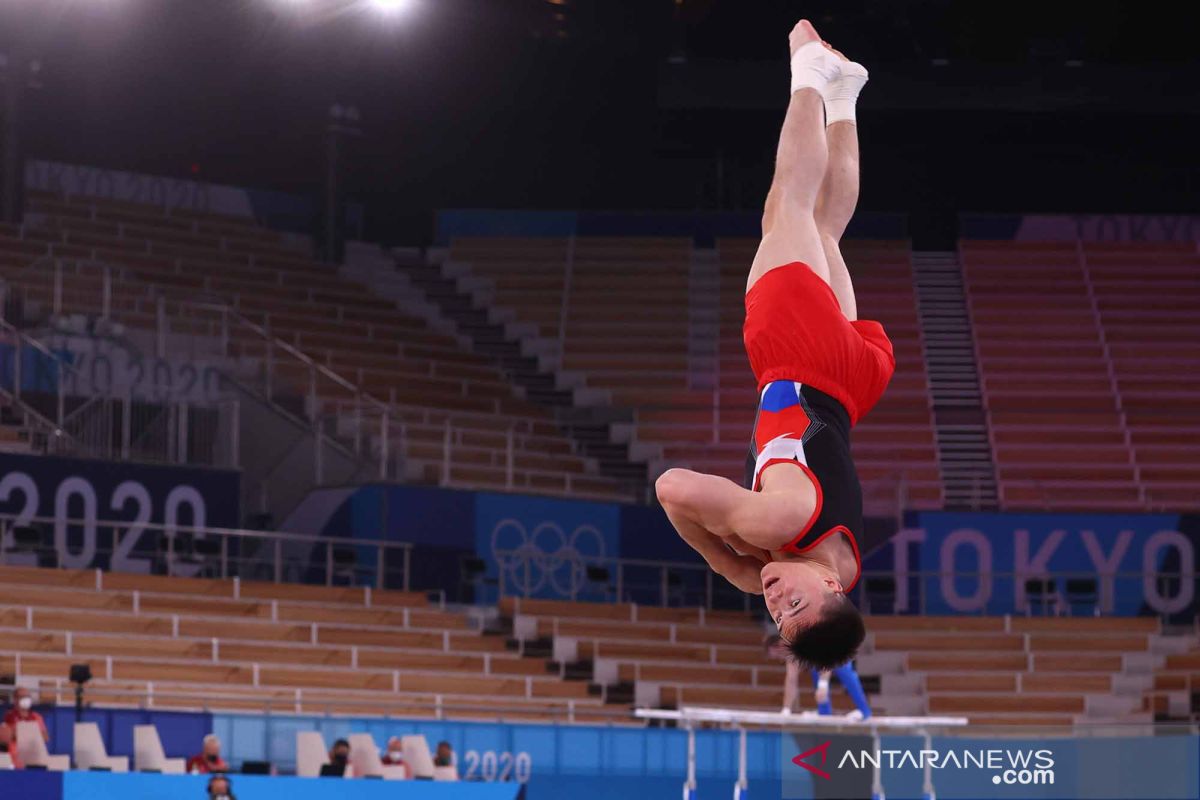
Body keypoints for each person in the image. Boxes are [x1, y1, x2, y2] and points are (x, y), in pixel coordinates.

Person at [656, 18, 891, 671]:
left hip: (850, 386)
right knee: (786, 206)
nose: (775, 599)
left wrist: (751, 556)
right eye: (796, 605)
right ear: (832, 586)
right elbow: (672, 487)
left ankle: (843, 97)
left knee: (826, 229)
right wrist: (726, 560)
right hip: (797, 357)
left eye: (776, 617)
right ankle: (808, 71)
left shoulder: (840, 558)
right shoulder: (777, 527)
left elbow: (804, 567)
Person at [3, 686, 49, 768]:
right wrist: (30, 733)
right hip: (15, 758)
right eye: (23, 697)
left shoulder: (36, 717)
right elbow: (6, 736)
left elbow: (45, 737)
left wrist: (23, 733)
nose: (26, 699)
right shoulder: (9, 716)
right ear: (15, 699)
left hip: (34, 758)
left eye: (28, 697)